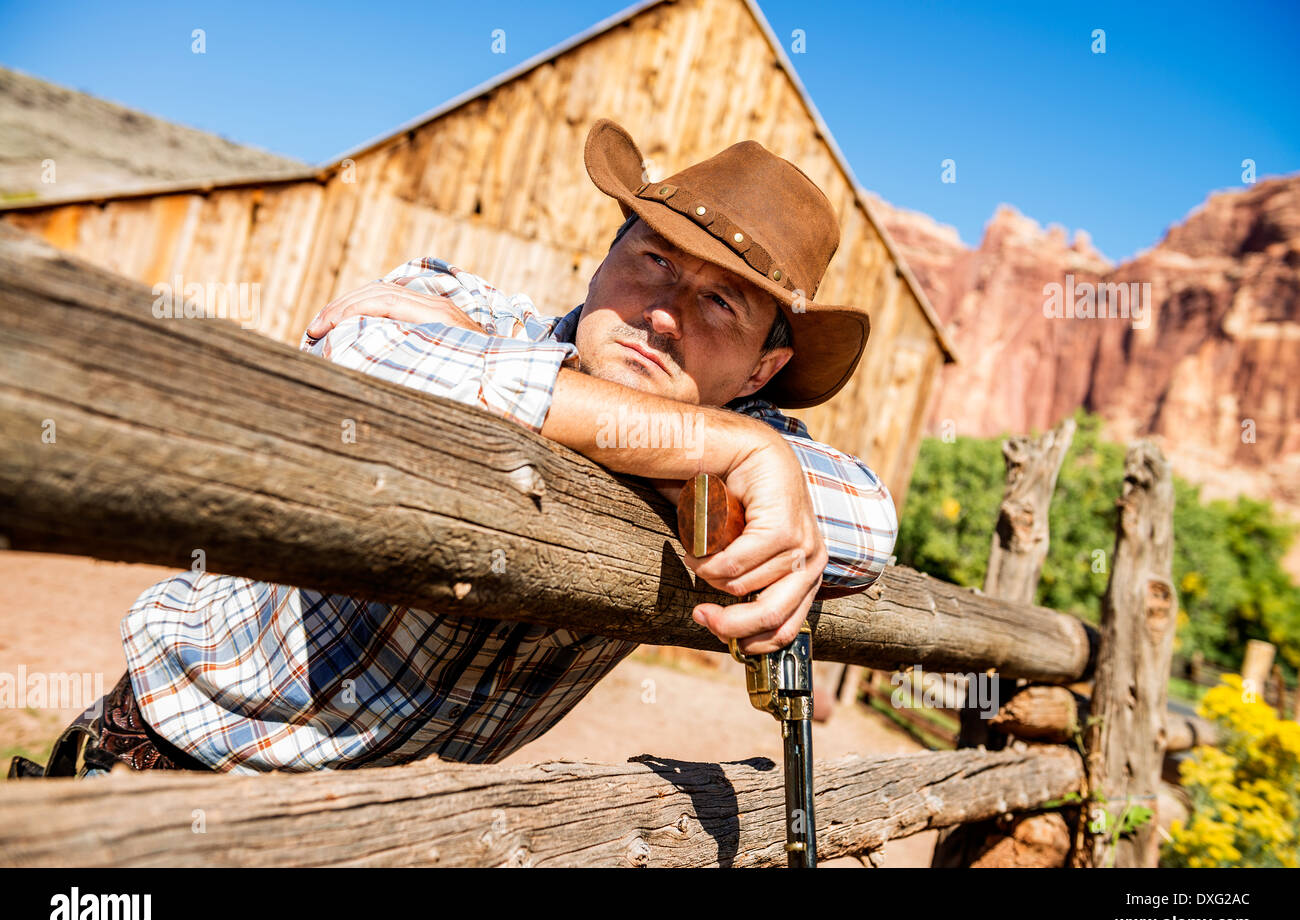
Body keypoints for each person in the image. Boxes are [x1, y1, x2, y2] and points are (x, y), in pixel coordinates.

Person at [10, 118, 897, 778]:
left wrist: (745, 451)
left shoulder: (756, 445)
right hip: (173, 753)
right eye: (656, 260)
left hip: (361, 824)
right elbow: (358, 353)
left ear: (763, 368)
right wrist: (717, 449)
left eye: (720, 305)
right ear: (604, 258)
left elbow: (869, 521)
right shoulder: (452, 303)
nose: (663, 312)